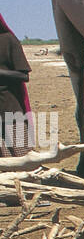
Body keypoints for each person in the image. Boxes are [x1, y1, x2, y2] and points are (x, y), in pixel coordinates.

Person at [0, 12, 33, 156]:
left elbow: (23, 75)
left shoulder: (8, 40)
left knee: (23, 156)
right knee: (5, 163)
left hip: (11, 108)